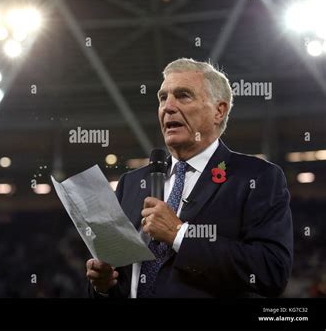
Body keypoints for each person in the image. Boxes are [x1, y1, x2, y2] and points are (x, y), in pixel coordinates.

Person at [86, 58, 293, 298]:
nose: (168, 107)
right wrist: (103, 286)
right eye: (163, 98)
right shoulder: (130, 184)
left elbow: (272, 271)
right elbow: (114, 278)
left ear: (219, 111)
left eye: (183, 95)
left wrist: (179, 235)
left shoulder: (257, 178)